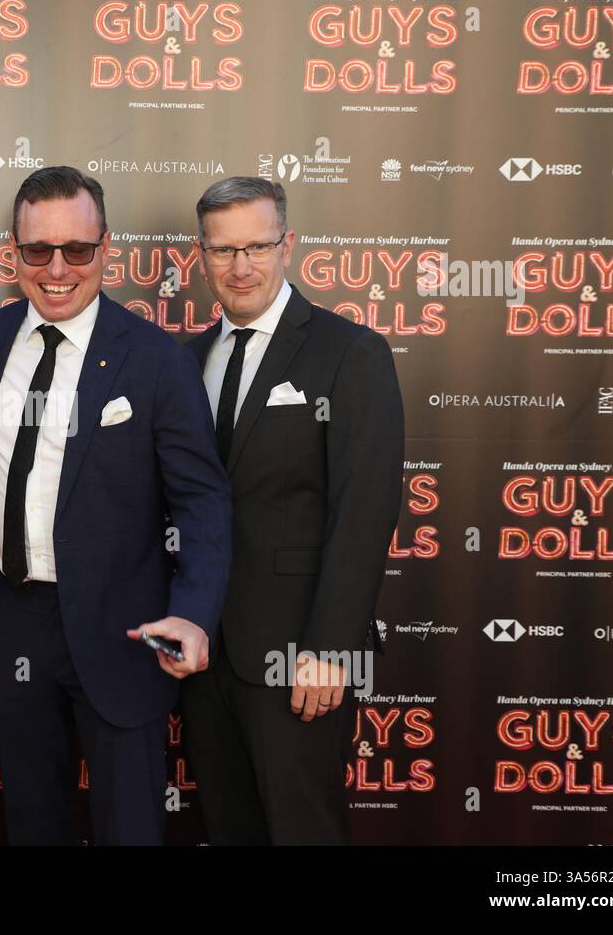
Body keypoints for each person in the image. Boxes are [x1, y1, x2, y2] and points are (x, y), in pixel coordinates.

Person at [0, 166, 231, 845]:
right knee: (31, 817)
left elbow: (200, 499)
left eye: (76, 250)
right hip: (11, 619)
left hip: (123, 628)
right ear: (12, 251)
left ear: (105, 248)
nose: (57, 269)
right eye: (37, 250)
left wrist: (195, 613)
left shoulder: (154, 359)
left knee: (128, 826)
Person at [181, 176, 404, 845]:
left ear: (289, 245)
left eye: (257, 246)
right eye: (222, 251)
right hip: (202, 659)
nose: (240, 266)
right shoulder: (187, 361)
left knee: (302, 831)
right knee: (228, 828)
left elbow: (364, 512)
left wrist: (330, 651)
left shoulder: (349, 353)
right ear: (202, 256)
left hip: (296, 658)